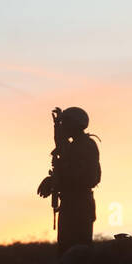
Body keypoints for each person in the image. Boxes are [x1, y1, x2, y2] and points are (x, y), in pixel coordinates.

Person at [36, 106, 101, 254]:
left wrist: (57, 181)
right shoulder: (72, 147)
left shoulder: (85, 145)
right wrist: (54, 180)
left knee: (78, 255)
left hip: (79, 206)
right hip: (70, 205)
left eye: (65, 123)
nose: (62, 127)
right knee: (66, 253)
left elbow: (88, 177)